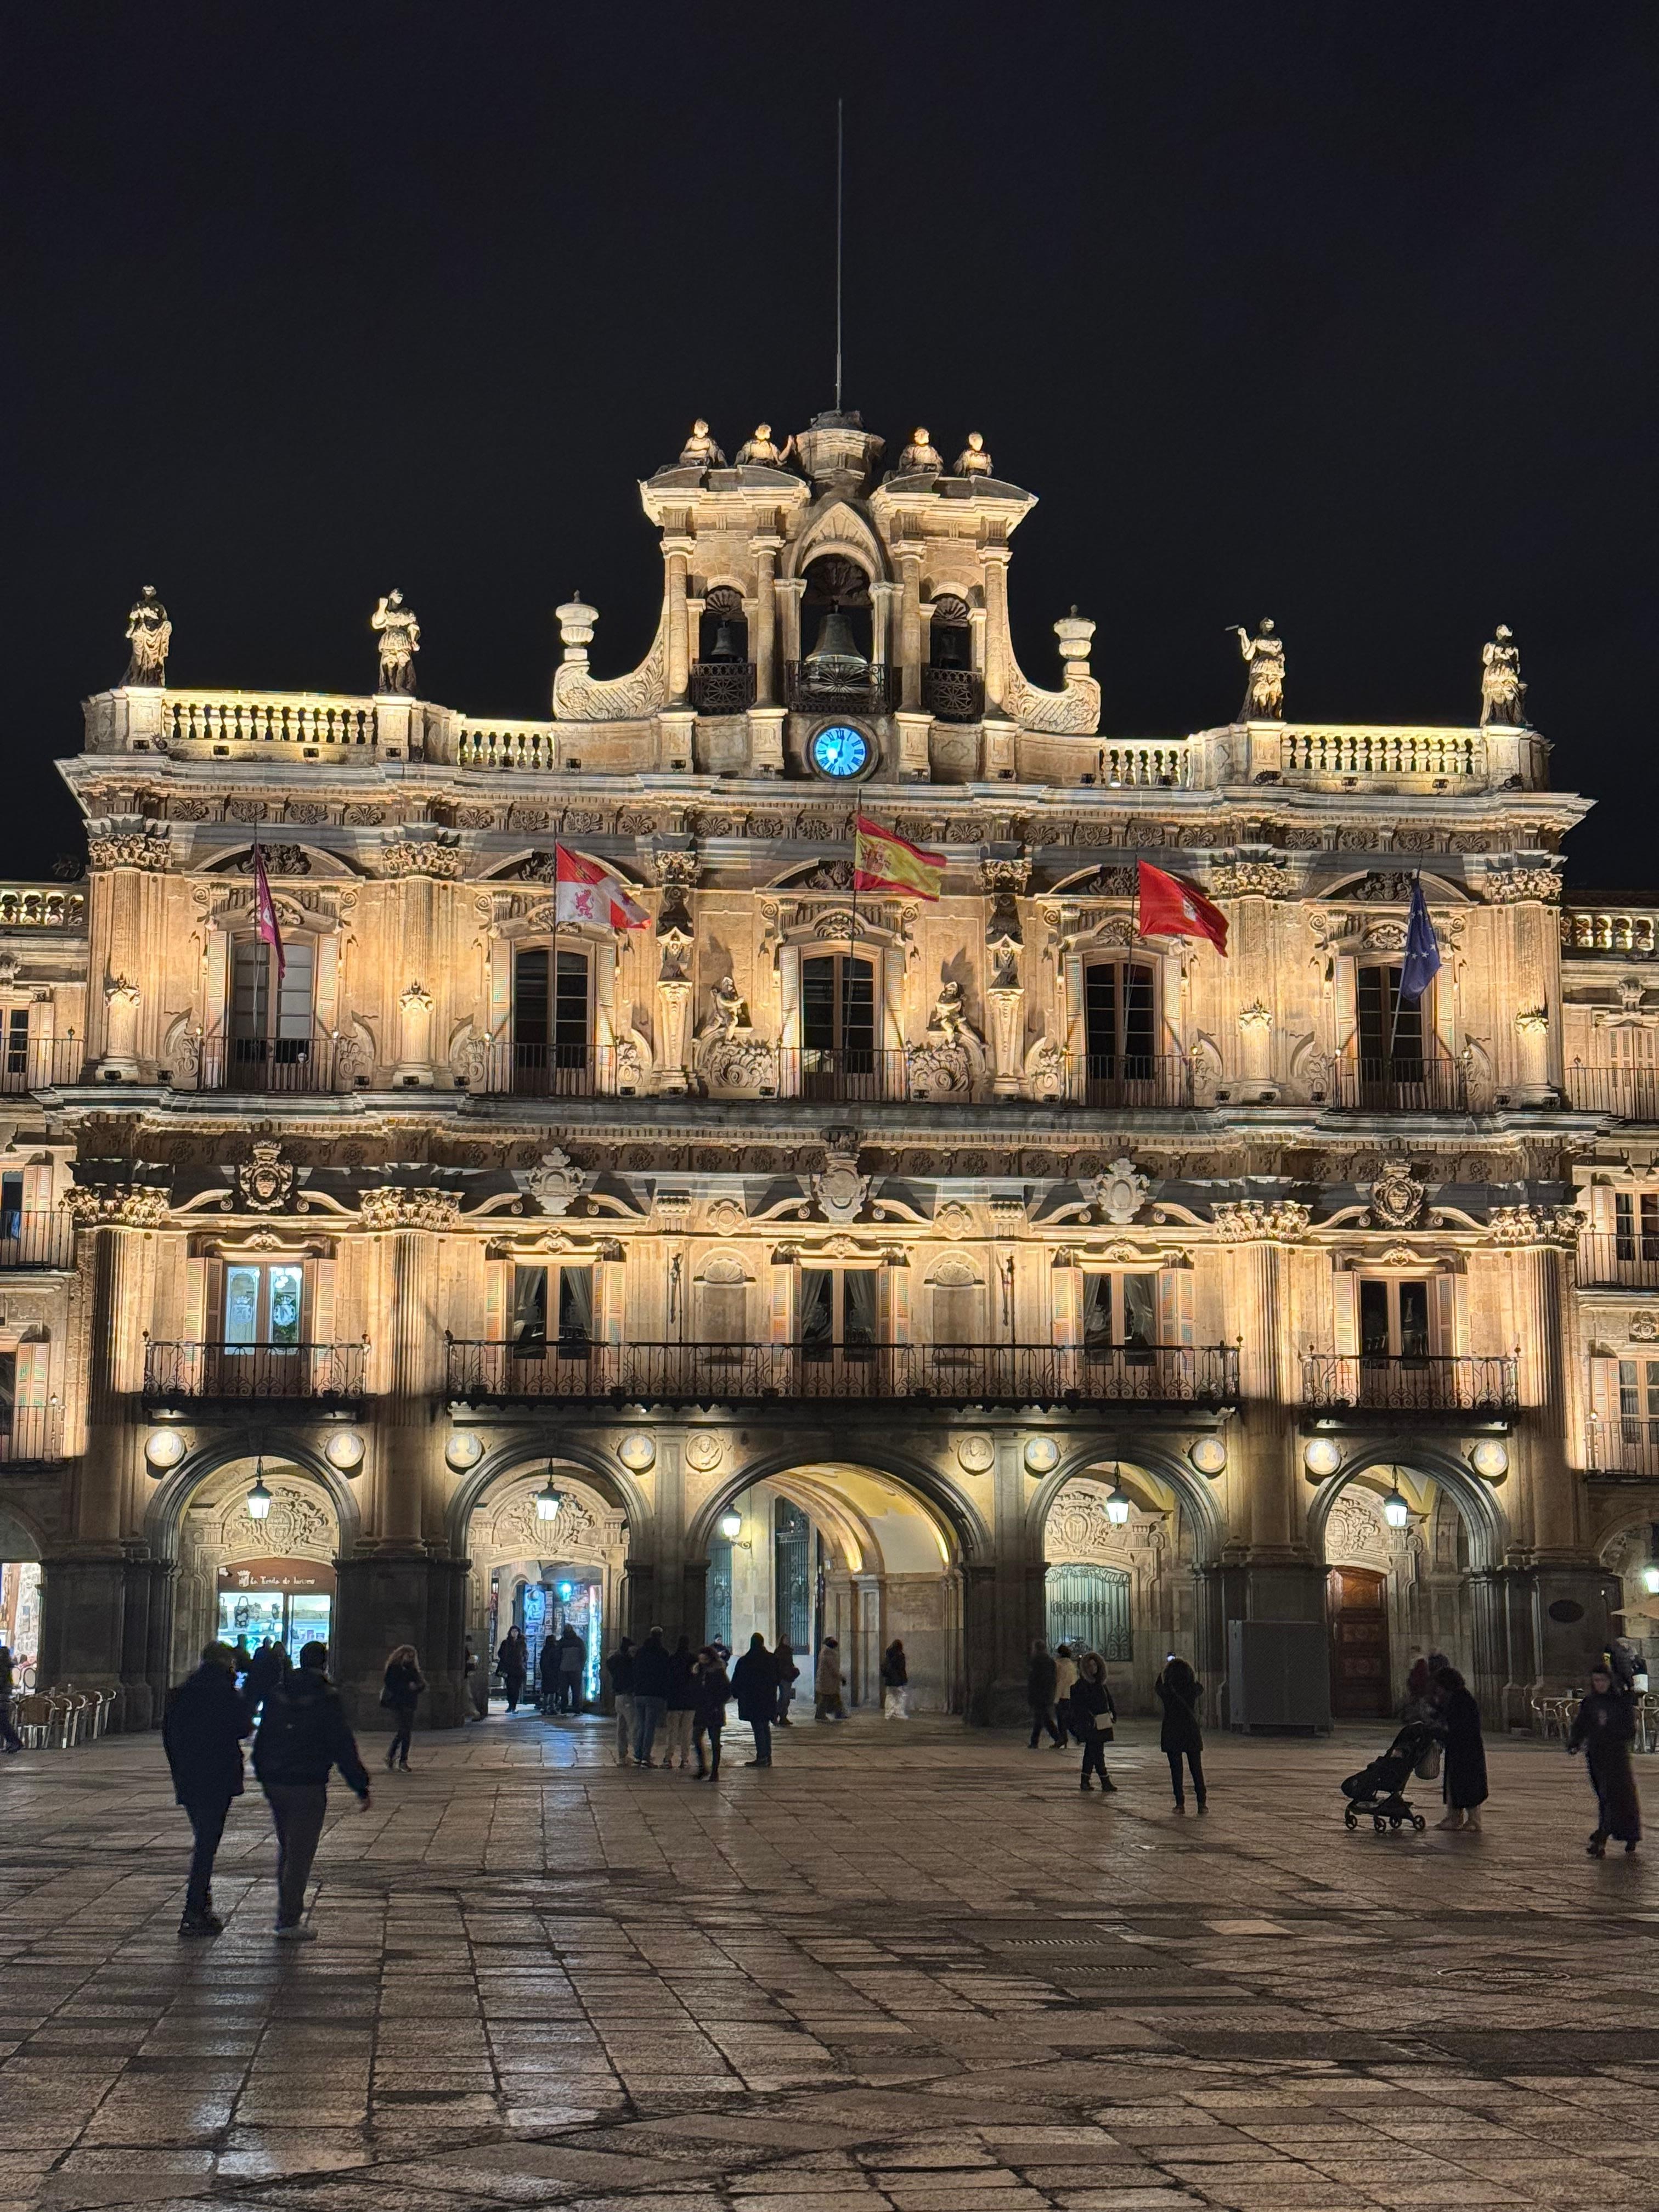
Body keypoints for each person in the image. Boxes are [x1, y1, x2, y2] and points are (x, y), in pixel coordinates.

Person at [252, 1641, 371, 1940]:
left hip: (277, 1781)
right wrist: (360, 1785)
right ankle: (289, 1919)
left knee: (287, 1846)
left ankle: (286, 1910)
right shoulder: (327, 1696)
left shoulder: (279, 1693)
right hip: (307, 1782)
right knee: (300, 1852)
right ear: (324, 1663)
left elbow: (264, 1737)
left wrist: (264, 1772)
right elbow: (342, 1744)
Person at [162, 1640, 251, 1937]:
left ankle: (202, 1905)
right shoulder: (225, 1693)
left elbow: (169, 1736)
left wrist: (180, 1770)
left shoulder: (182, 1694)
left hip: (190, 1777)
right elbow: (244, 1728)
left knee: (204, 1839)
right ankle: (194, 1909)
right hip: (218, 1777)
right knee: (206, 1844)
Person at [1570, 1663, 1643, 1856]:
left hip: (1616, 1756)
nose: (1600, 1684)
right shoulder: (1590, 1703)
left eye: (1603, 1680)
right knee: (1604, 1797)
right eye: (1596, 1680)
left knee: (1618, 1796)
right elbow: (1581, 1725)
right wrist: (1575, 1742)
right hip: (1597, 1756)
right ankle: (1605, 1833)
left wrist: (1612, 1731)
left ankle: (1607, 1836)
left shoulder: (1620, 1702)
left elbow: (1629, 1729)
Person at [1433, 1665, 1487, 1832]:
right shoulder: (1455, 1698)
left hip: (1466, 1749)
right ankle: (1454, 1816)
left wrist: (1441, 1733)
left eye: (1439, 1687)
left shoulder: (1461, 1700)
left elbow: (1459, 1727)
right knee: (1455, 1783)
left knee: (1468, 1784)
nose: (1437, 1690)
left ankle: (1472, 1820)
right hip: (1459, 1748)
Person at [1156, 1655, 1206, 1813]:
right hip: (1191, 1730)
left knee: (1176, 1770)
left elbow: (1158, 1687)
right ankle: (1202, 1803)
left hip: (1172, 1731)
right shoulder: (1192, 1689)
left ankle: (1180, 1804)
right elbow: (1200, 1687)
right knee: (1196, 1768)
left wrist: (1164, 1673)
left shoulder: (1168, 1691)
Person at [1069, 1652, 1118, 1793]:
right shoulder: (1082, 1685)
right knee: (1097, 1752)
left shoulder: (1100, 1684)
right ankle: (1104, 1780)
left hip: (1102, 1722)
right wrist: (1089, 1719)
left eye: (1095, 1665)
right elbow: (1079, 1706)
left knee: (1092, 1751)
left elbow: (1108, 1700)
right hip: (1091, 1724)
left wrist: (1113, 1713)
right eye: (1090, 1666)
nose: (1093, 1668)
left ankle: (1086, 1779)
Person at [732, 1632, 775, 1766]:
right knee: (765, 1726)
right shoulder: (771, 1659)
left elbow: (737, 1680)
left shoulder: (745, 1661)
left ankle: (762, 1756)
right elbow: (777, 1677)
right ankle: (767, 1756)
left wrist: (736, 1693)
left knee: (758, 1728)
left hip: (752, 1700)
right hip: (767, 1699)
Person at [380, 1644, 425, 1771]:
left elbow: (422, 1684)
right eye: (408, 1656)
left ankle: (393, 1757)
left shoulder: (413, 1669)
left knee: (404, 1732)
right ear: (401, 1655)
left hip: (410, 1703)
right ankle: (401, 1760)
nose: (410, 1659)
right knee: (405, 1731)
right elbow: (391, 1684)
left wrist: (417, 1687)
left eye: (412, 1657)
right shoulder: (394, 1668)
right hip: (398, 1703)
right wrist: (407, 1687)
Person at [630, 1626, 671, 1766]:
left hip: (639, 1693)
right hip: (655, 1694)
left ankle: (637, 1755)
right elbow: (666, 1675)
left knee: (640, 1726)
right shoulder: (663, 1653)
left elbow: (634, 1671)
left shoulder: (641, 1652)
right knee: (650, 1727)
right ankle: (645, 1757)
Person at [692, 1644, 731, 1780]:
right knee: (696, 1738)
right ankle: (703, 1767)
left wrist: (717, 1703)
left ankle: (715, 1771)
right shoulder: (698, 1671)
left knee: (715, 1742)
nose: (702, 1661)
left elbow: (726, 1691)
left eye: (705, 1659)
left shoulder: (718, 1672)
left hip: (714, 1710)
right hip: (702, 1710)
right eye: (701, 1659)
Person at [663, 1634, 697, 1769]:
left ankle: (668, 1758)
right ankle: (685, 1759)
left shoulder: (672, 1659)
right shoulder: (693, 1660)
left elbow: (667, 1679)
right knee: (687, 1732)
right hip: (689, 1701)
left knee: (672, 1731)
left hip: (674, 1701)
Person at [607, 1635, 636, 1765]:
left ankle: (622, 1755)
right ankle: (638, 1754)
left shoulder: (614, 1660)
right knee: (633, 1726)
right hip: (627, 1695)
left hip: (618, 1696)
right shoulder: (627, 1661)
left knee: (621, 1727)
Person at [1027, 1638, 1062, 1749]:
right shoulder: (1051, 1662)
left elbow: (1034, 1680)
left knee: (1041, 1719)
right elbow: (1053, 1679)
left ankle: (1037, 1741)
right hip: (1048, 1694)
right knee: (1044, 1718)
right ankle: (1055, 1738)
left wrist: (1032, 1696)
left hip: (1039, 1694)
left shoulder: (1036, 1661)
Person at [242, 1637, 286, 1719]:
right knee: (265, 1703)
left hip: (259, 1682)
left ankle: (250, 1717)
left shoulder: (260, 1651)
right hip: (267, 1684)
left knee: (256, 1702)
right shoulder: (272, 1655)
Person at [1052, 1643, 1079, 1748]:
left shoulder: (1059, 1665)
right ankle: (1075, 1735)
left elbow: (1060, 1683)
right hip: (1071, 1695)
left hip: (1062, 1696)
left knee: (1062, 1719)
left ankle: (1063, 1739)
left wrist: (1056, 1698)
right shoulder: (1072, 1665)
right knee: (1069, 1719)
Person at [815, 1637, 846, 1722]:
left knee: (834, 1698)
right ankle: (820, 1715)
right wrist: (841, 1678)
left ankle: (839, 1713)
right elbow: (833, 1669)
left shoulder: (826, 1653)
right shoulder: (828, 1654)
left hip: (829, 1681)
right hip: (828, 1681)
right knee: (825, 1699)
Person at [497, 1626, 527, 1714]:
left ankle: (513, 1706)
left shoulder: (522, 1643)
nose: (514, 1633)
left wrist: (523, 1662)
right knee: (510, 1688)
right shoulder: (506, 1643)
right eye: (513, 1631)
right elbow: (501, 1653)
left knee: (516, 1688)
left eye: (516, 1631)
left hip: (518, 1669)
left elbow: (525, 1654)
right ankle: (510, 1705)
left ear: (518, 1632)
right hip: (509, 1669)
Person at [557, 1623, 586, 1714]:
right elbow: (583, 1655)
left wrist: (559, 1667)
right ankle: (576, 1707)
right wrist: (581, 1666)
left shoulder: (562, 1642)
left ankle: (564, 1707)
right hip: (576, 1669)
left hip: (564, 1669)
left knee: (564, 1690)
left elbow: (558, 1656)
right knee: (576, 1690)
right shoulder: (579, 1641)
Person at [0, 1644, 23, 1755]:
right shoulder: (7, 1668)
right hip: (4, 1698)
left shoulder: (3, 1669)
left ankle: (15, 1742)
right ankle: (11, 1742)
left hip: (1, 1699)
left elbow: (2, 1684)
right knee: (3, 1723)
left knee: (4, 1723)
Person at [774, 1635, 800, 1725]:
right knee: (785, 1697)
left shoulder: (788, 1651)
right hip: (783, 1677)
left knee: (785, 1697)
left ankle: (782, 1716)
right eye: (786, 1639)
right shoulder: (780, 1651)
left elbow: (789, 1663)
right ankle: (777, 1715)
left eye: (788, 1639)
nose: (788, 1641)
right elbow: (779, 1665)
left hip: (788, 1676)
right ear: (782, 1640)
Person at [881, 1639, 909, 1720]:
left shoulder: (888, 1655)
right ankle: (898, 1713)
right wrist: (904, 1679)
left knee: (890, 1696)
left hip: (889, 1680)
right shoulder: (900, 1656)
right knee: (900, 1697)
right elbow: (901, 1669)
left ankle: (889, 1714)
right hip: (898, 1680)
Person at [537, 1631, 562, 1716]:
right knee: (553, 1691)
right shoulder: (555, 1650)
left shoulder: (545, 1650)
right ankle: (552, 1707)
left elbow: (542, 1663)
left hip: (546, 1673)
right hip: (554, 1673)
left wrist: (544, 1671)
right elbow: (556, 1662)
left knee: (547, 1691)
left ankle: (545, 1707)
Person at [464, 1637, 488, 1720]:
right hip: (463, 1676)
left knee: (467, 1696)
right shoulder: (463, 1649)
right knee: (467, 1696)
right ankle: (475, 1713)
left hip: (464, 1676)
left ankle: (475, 1713)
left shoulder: (464, 1649)